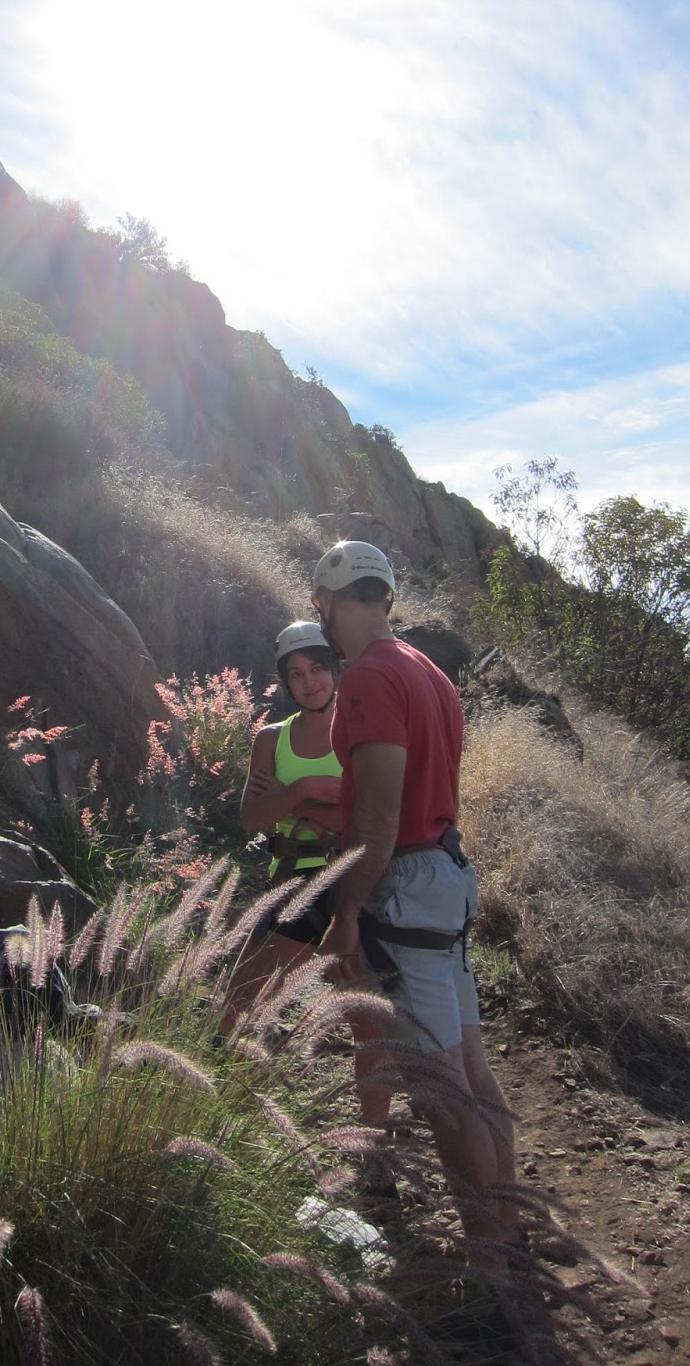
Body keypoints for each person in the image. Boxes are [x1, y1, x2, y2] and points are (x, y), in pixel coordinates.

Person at [310, 540, 518, 1263]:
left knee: (440, 1088)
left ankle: (492, 1263)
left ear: (330, 602)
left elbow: (378, 815)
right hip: (447, 876)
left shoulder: (368, 677)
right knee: (470, 1065)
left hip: (404, 887)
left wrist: (343, 918)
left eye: (324, 612)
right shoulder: (429, 671)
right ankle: (508, 1236)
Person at [226, 623, 392, 1130]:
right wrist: (310, 792)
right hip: (290, 882)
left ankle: (375, 1149)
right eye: (296, 674)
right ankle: (232, 1118)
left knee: (365, 1018)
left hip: (352, 882)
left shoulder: (361, 734)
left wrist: (292, 797)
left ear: (335, 668)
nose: (310, 681)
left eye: (318, 667)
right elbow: (251, 818)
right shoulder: (271, 739)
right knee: (238, 1002)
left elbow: (365, 820)